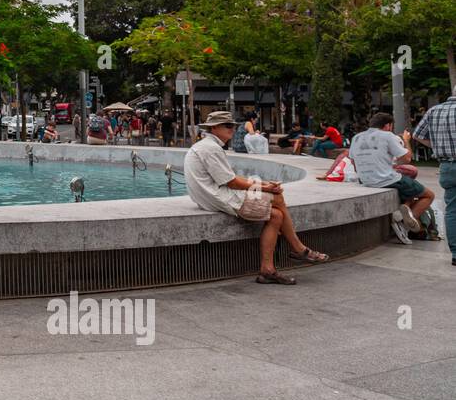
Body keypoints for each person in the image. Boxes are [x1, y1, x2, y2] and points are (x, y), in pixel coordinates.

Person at [184, 111, 328, 285]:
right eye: (228, 126)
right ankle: (299, 249)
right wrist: (265, 187)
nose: (232, 129)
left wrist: (264, 184)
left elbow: (229, 179)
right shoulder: (211, 148)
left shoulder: (205, 146)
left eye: (233, 126)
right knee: (278, 197)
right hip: (221, 198)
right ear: (214, 128)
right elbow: (232, 182)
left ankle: (267, 270)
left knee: (276, 216)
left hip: (213, 197)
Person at [350, 112, 435, 244]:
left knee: (410, 185)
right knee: (429, 195)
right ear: (387, 125)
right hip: (387, 180)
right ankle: (403, 224)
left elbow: (354, 165)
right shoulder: (388, 136)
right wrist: (406, 141)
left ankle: (404, 208)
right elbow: (407, 159)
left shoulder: (356, 137)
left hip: (365, 180)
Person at [412, 89, 456, 267]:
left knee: (452, 209)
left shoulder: (434, 111)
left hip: (447, 166)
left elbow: (417, 135)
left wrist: (436, 147)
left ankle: (455, 253)